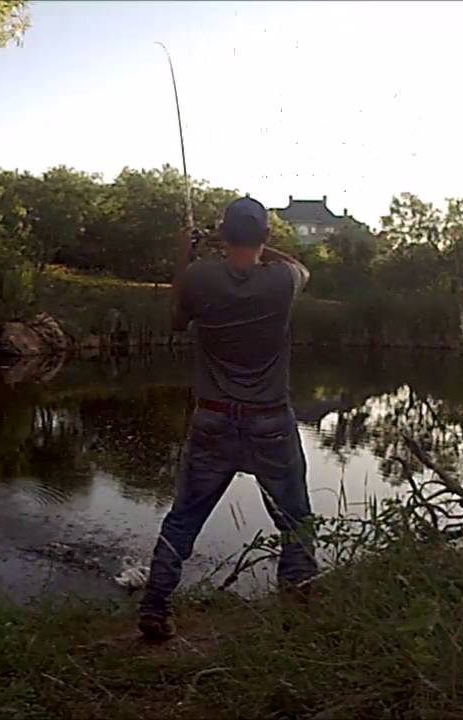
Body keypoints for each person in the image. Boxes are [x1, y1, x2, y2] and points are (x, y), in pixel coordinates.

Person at [138, 196, 319, 641]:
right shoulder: (281, 281)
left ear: (223, 234)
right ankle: (296, 621)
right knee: (295, 523)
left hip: (213, 419)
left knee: (183, 519)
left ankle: (156, 607)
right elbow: (300, 266)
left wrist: (189, 250)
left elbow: (177, 319)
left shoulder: (200, 278)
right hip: (270, 421)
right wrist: (263, 249)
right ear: (265, 236)